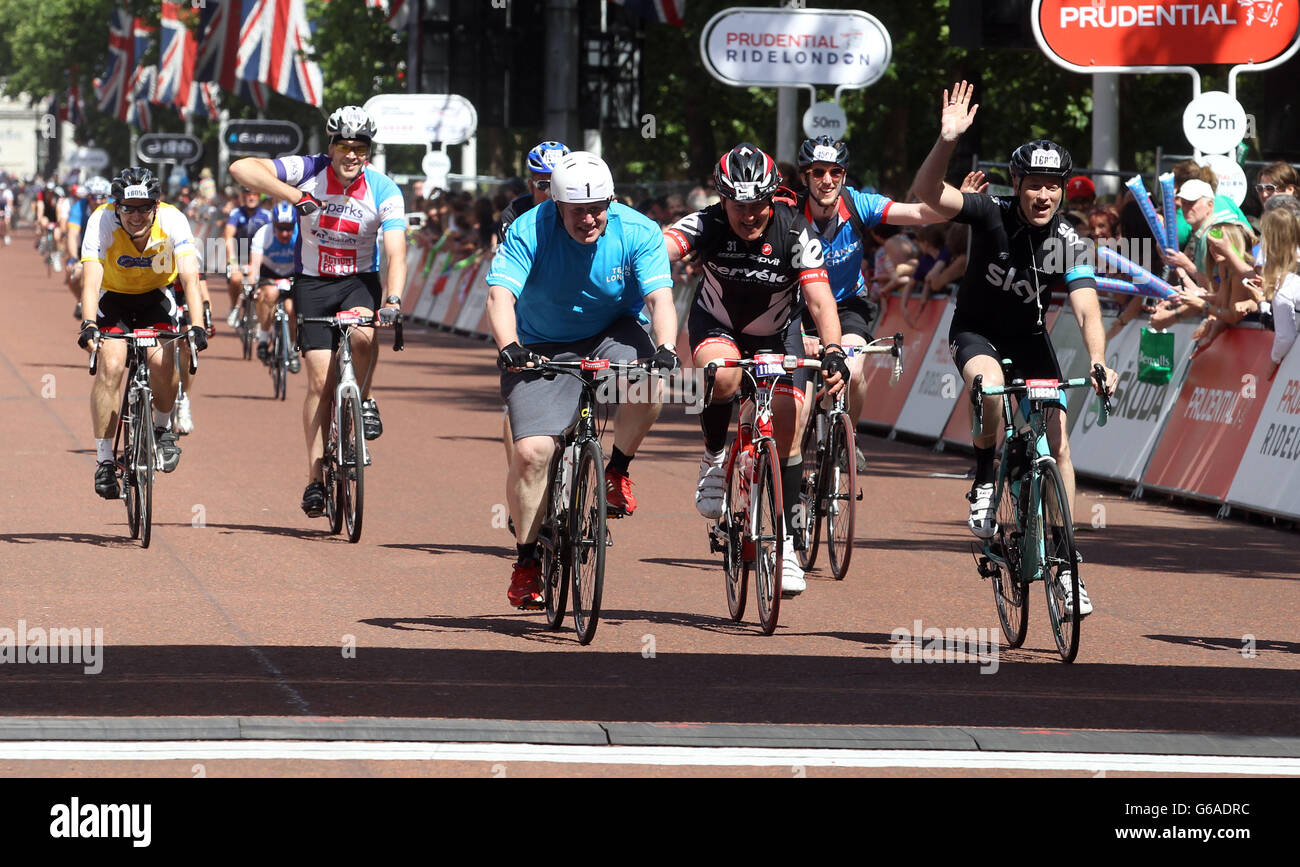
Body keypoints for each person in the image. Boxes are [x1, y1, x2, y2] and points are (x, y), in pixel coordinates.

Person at [910, 81, 1118, 617]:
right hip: (975, 330)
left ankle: (1067, 567)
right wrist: (946, 141)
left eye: (1054, 186)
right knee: (990, 389)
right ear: (1017, 184)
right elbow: (927, 195)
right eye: (1034, 185)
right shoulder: (989, 212)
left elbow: (1088, 307)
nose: (1044, 195)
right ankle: (983, 476)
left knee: (1058, 443)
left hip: (1030, 342)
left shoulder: (1069, 240)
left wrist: (1098, 359)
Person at [486, 151, 678, 609]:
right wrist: (509, 347)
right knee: (532, 453)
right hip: (541, 343)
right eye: (577, 210)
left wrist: (667, 348)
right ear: (555, 204)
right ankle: (527, 561)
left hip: (612, 330)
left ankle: (617, 470)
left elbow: (660, 299)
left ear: (611, 201)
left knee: (650, 381)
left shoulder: (639, 231)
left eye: (598, 209)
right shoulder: (528, 229)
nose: (589, 219)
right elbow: (500, 295)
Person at [664, 143, 849, 596]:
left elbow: (821, 299)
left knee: (786, 424)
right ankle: (712, 457)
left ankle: (783, 544)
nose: (748, 215)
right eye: (737, 205)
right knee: (723, 377)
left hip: (776, 335)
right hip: (717, 325)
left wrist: (833, 351)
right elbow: (659, 248)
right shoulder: (707, 222)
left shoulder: (795, 231)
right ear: (721, 197)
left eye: (757, 205)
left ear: (773, 197)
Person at [229, 105, 407, 517]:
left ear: (368, 151)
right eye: (344, 145)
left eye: (360, 147)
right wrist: (298, 197)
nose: (351, 154)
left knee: (364, 336)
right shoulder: (308, 168)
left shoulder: (384, 189)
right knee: (319, 382)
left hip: (359, 281)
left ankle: (364, 399)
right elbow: (243, 168)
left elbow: (396, 250)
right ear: (331, 146)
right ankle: (314, 479)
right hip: (312, 283)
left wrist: (393, 300)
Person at [793, 136, 957, 460]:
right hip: (799, 309)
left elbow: (919, 213)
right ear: (805, 176)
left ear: (843, 174)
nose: (827, 180)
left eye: (835, 172)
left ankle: (846, 441)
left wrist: (960, 202)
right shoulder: (789, 214)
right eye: (818, 172)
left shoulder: (858, 204)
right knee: (796, 416)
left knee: (853, 372)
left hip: (847, 307)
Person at [76, 167, 208, 498]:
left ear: (156, 206)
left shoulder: (173, 220)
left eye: (144, 208)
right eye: (128, 208)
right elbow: (91, 276)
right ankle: (105, 461)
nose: (136, 216)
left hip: (155, 297)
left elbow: (191, 277)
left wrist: (197, 326)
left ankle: (163, 428)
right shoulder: (102, 219)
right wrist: (89, 322)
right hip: (114, 298)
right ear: (117, 206)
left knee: (163, 360)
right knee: (111, 363)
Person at [248, 201, 301, 372]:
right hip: (269, 273)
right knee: (268, 294)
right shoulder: (263, 234)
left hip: (292, 274)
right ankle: (263, 339)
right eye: (280, 228)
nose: (285, 233)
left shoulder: (301, 234)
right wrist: (252, 284)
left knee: (291, 308)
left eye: (289, 228)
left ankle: (293, 350)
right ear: (273, 225)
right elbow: (254, 265)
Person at [495, 141, 570, 245]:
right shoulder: (514, 213)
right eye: (543, 185)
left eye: (558, 184)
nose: (552, 192)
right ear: (530, 186)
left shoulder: (581, 211)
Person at [222, 186, 272, 326]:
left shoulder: (267, 215)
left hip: (260, 257)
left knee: (262, 286)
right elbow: (228, 236)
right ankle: (234, 307)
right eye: (247, 194)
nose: (251, 197)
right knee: (236, 278)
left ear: (259, 196)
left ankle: (257, 315)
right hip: (239, 257)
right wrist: (232, 261)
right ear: (243, 196)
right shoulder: (236, 213)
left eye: (254, 194)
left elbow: (271, 240)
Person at [65, 177, 111, 320]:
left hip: (110, 250)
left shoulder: (114, 207)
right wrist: (73, 258)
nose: (98, 201)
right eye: (93, 197)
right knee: (73, 274)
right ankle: (82, 300)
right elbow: (72, 234)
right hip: (86, 248)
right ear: (87, 197)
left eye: (102, 197)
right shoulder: (79, 207)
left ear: (107, 196)